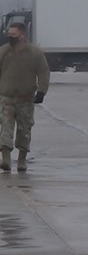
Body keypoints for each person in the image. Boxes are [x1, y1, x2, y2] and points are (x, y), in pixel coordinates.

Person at [0, 22, 50, 172]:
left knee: (24, 130)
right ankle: (6, 159)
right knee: (5, 129)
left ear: (22, 35)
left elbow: (43, 72)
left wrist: (41, 91)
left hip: (26, 99)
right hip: (6, 98)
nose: (10, 37)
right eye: (9, 34)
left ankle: (22, 160)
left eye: (13, 34)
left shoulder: (35, 53)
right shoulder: (3, 52)